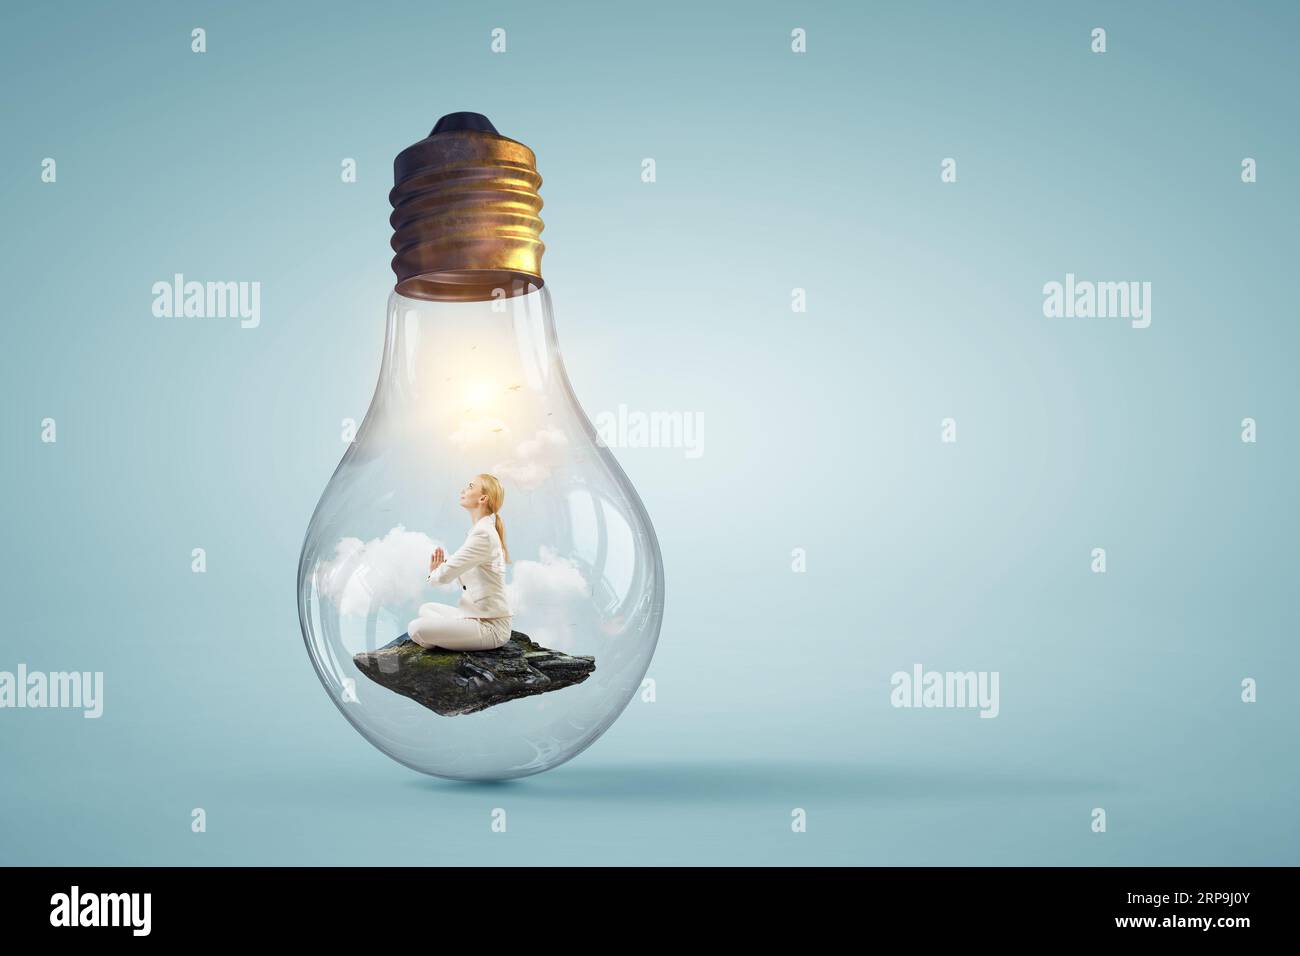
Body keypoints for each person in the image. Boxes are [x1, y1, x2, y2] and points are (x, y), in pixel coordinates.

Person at [406, 474, 513, 652]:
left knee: (415, 629)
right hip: (473, 616)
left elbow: (443, 576)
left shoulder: (483, 535)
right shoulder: (481, 530)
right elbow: (459, 572)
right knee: (427, 608)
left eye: (471, 486)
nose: (463, 490)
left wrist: (435, 573)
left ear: (483, 498)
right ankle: (452, 637)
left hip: (490, 627)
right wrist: (441, 570)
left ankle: (449, 646)